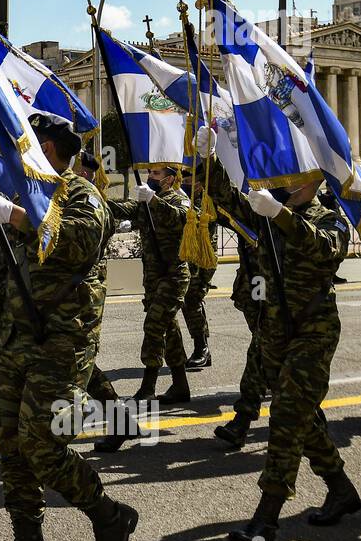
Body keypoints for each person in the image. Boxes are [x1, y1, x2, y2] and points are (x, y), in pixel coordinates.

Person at [0, 115, 138, 541]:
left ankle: (108, 515)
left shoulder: (81, 195)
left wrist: (16, 217)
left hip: (62, 345)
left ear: (43, 147)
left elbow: (77, 243)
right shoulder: (25, 196)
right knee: (12, 451)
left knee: (41, 445)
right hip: (16, 341)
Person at [199, 127, 360, 541]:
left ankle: (265, 524)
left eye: (291, 176)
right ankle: (341, 489)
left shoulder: (327, 217)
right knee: (304, 419)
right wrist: (209, 159)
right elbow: (227, 204)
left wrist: (281, 215)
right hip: (274, 330)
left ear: (310, 179)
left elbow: (326, 249)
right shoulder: (269, 214)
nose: (280, 181)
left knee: (287, 418)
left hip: (312, 331)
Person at [73, 150, 143, 453]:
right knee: (80, 363)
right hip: (58, 292)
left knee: (77, 363)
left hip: (79, 290)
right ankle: (121, 421)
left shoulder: (88, 200)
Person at [109, 166, 193, 403]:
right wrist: (95, 197)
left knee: (154, 326)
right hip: (154, 277)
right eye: (150, 173)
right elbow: (125, 209)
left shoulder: (179, 200)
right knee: (169, 329)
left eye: (156, 174)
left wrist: (153, 200)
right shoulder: (145, 201)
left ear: (170, 179)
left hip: (174, 275)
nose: (150, 177)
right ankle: (180, 385)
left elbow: (179, 219)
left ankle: (148, 386)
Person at [213, 234, 269, 449]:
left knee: (261, 349)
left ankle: (242, 421)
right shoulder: (257, 210)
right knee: (261, 343)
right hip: (257, 281)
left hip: (284, 291)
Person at [180, 215, 218, 369]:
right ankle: (202, 348)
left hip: (203, 253)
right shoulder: (184, 193)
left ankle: (201, 348)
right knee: (189, 300)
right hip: (188, 250)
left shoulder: (207, 195)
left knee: (192, 299)